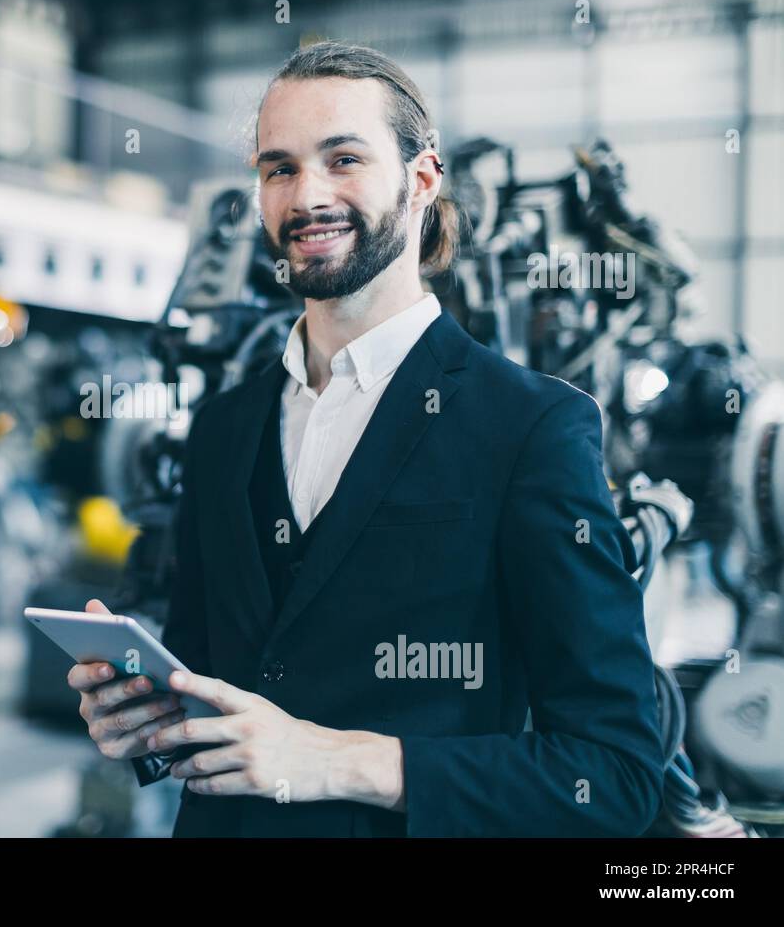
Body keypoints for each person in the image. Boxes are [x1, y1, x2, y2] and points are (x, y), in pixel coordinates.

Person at [68, 41, 664, 837]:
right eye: (279, 168)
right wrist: (144, 721)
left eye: (343, 159)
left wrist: (337, 761)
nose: (307, 195)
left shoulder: (530, 427)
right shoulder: (224, 427)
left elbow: (615, 776)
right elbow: (209, 680)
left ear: (421, 181)